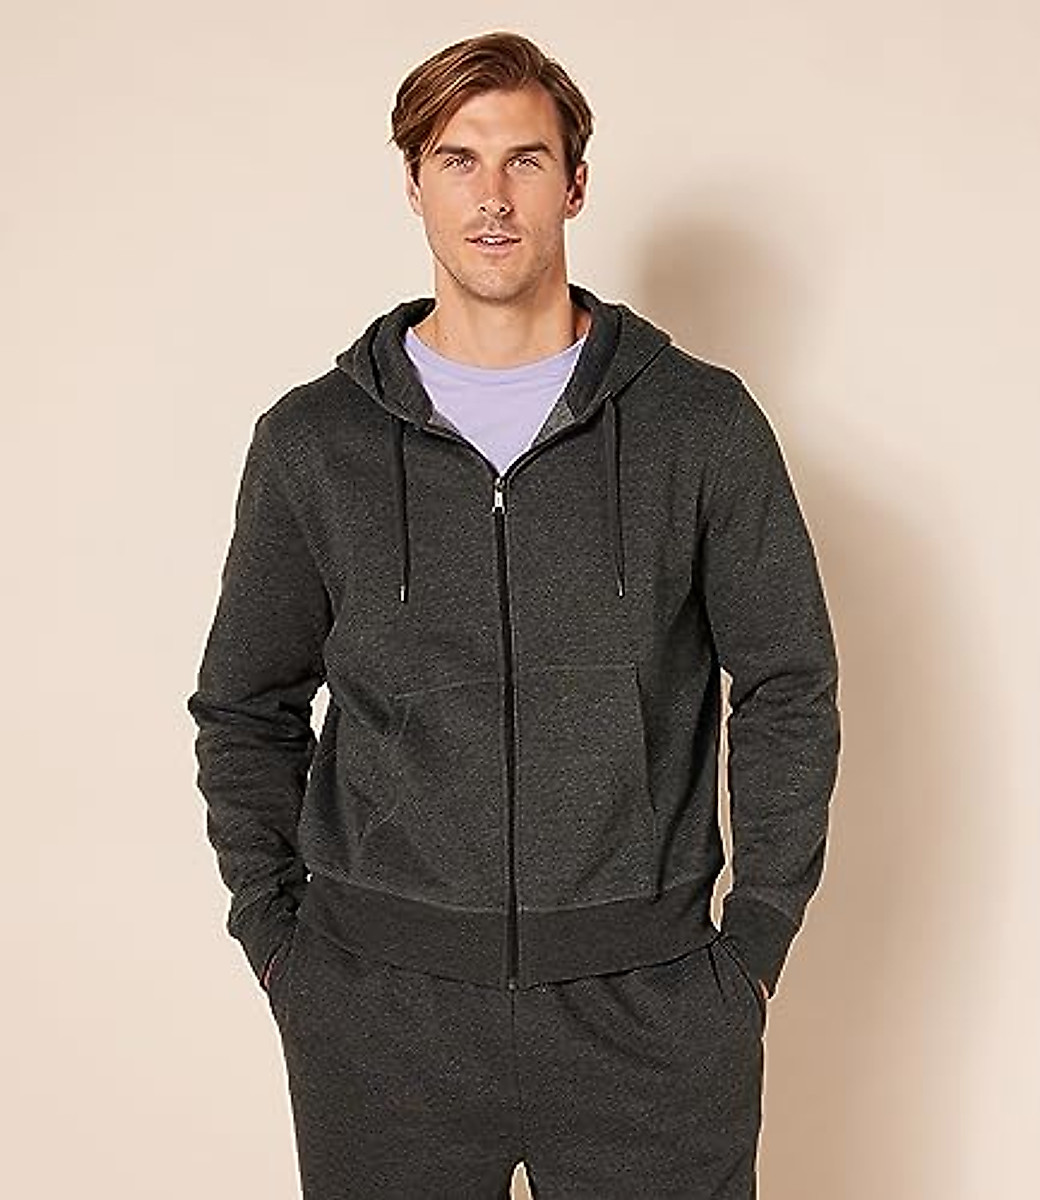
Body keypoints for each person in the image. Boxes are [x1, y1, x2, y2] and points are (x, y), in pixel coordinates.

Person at [186, 28, 841, 1200]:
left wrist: (753, 947)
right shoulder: (315, 443)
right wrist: (281, 944)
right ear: (414, 184)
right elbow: (244, 705)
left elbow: (788, 684)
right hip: (381, 1020)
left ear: (575, 184)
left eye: (524, 160)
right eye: (458, 160)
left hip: (649, 1011)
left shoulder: (700, 427)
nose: (492, 197)